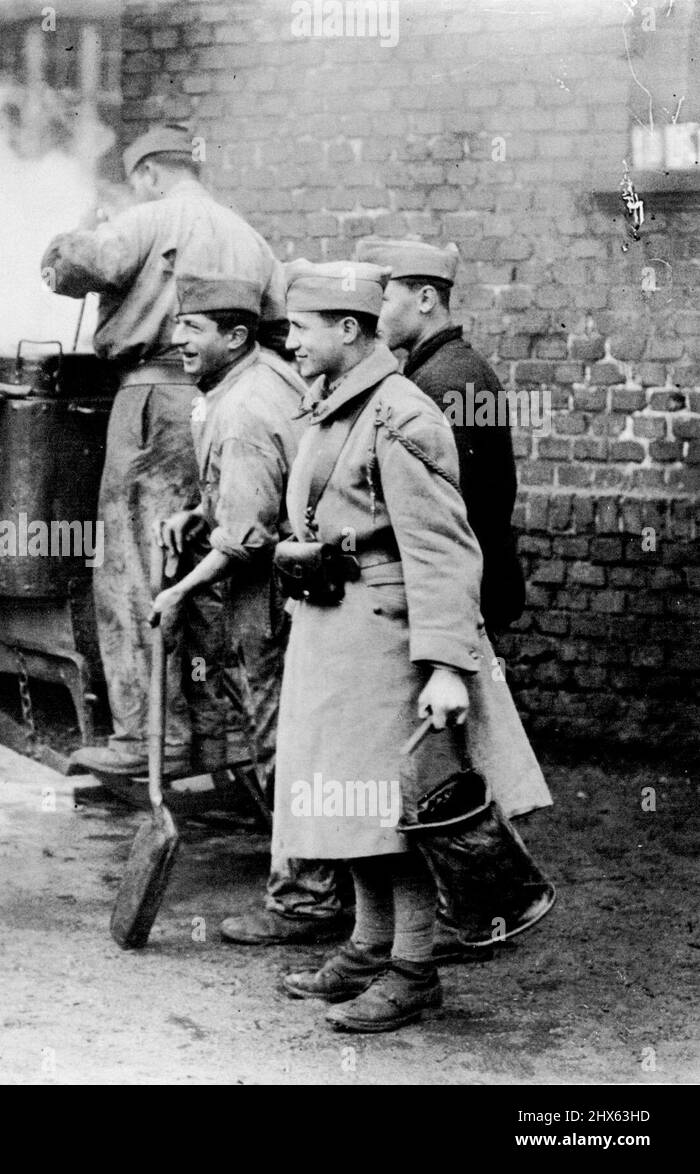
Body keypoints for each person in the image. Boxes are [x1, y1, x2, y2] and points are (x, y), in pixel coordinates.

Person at [270, 259, 551, 1032]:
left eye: (303, 327)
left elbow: (443, 551)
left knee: (400, 817)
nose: (289, 341)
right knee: (348, 805)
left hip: (388, 642)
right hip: (336, 633)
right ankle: (366, 948)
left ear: (350, 330)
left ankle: (414, 969)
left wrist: (445, 666)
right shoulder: (335, 406)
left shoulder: (402, 415)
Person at [41, 123, 287, 779]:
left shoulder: (148, 218)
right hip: (227, 400)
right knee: (207, 562)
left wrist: (69, 241)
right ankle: (219, 733)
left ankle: (144, 737)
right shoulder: (251, 237)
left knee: (131, 564)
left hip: (152, 398)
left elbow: (77, 266)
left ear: (149, 172)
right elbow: (282, 322)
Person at [147, 273, 306, 809]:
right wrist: (200, 513)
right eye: (177, 325)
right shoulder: (264, 373)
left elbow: (248, 541)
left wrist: (179, 590)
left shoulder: (241, 411)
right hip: (300, 577)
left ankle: (301, 872)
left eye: (193, 328)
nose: (179, 340)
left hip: (271, 592)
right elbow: (257, 489)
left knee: (277, 730)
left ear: (235, 337)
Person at [355, 237, 525, 637]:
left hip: (458, 599)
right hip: (473, 586)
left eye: (382, 301)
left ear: (426, 299)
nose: (371, 315)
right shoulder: (453, 367)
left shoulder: (441, 381)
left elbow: (443, 508)